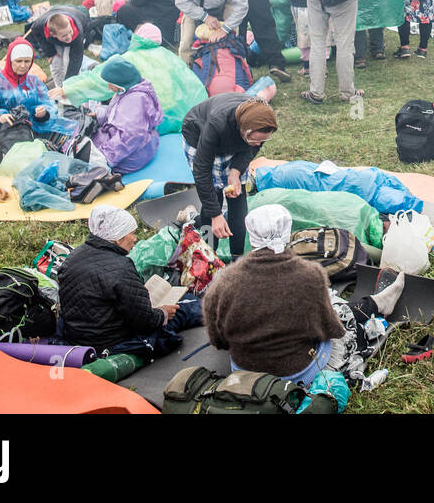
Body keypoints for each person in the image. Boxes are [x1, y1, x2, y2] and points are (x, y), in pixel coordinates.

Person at [203, 204, 403, 388]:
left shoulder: (224, 282)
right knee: (339, 313)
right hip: (298, 374)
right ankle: (376, 304)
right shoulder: (309, 275)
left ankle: (377, 303)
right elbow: (330, 329)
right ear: (288, 232)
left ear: (251, 234)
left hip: (246, 376)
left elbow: (217, 340)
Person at [55, 206, 202, 361]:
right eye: (131, 233)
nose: (135, 238)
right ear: (118, 238)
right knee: (184, 307)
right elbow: (146, 322)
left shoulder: (72, 258)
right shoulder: (121, 266)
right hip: (112, 341)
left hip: (78, 337)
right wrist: (163, 313)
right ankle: (220, 310)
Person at [180, 93, 279, 258]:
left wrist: (236, 171)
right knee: (214, 198)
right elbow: (202, 170)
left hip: (235, 140)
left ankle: (237, 258)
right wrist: (216, 215)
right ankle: (209, 256)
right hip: (198, 136)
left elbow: (253, 147)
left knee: (238, 198)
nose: (259, 144)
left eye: (263, 140)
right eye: (256, 139)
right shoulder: (216, 123)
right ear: (243, 130)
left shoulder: (261, 120)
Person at [0, 38, 65, 143]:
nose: (23, 65)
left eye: (27, 61)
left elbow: (48, 103)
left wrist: (44, 114)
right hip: (4, 137)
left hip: (35, 135)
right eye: (18, 61)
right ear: (10, 61)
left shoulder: (34, 82)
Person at [83, 56, 164, 174]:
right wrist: (98, 115)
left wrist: (104, 157)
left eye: (111, 84)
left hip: (135, 153)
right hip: (133, 144)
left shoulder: (134, 101)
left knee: (87, 154)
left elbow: (130, 136)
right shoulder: (128, 90)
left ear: (121, 81)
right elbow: (117, 113)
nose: (108, 87)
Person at [23, 6, 91, 88]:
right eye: (65, 35)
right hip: (56, 36)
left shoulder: (76, 32)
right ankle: (59, 87)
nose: (69, 36)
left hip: (79, 31)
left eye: (70, 32)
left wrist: (68, 86)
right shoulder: (39, 25)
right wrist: (50, 52)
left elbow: (75, 60)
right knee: (56, 61)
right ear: (53, 34)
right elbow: (36, 32)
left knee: (67, 61)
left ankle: (74, 88)